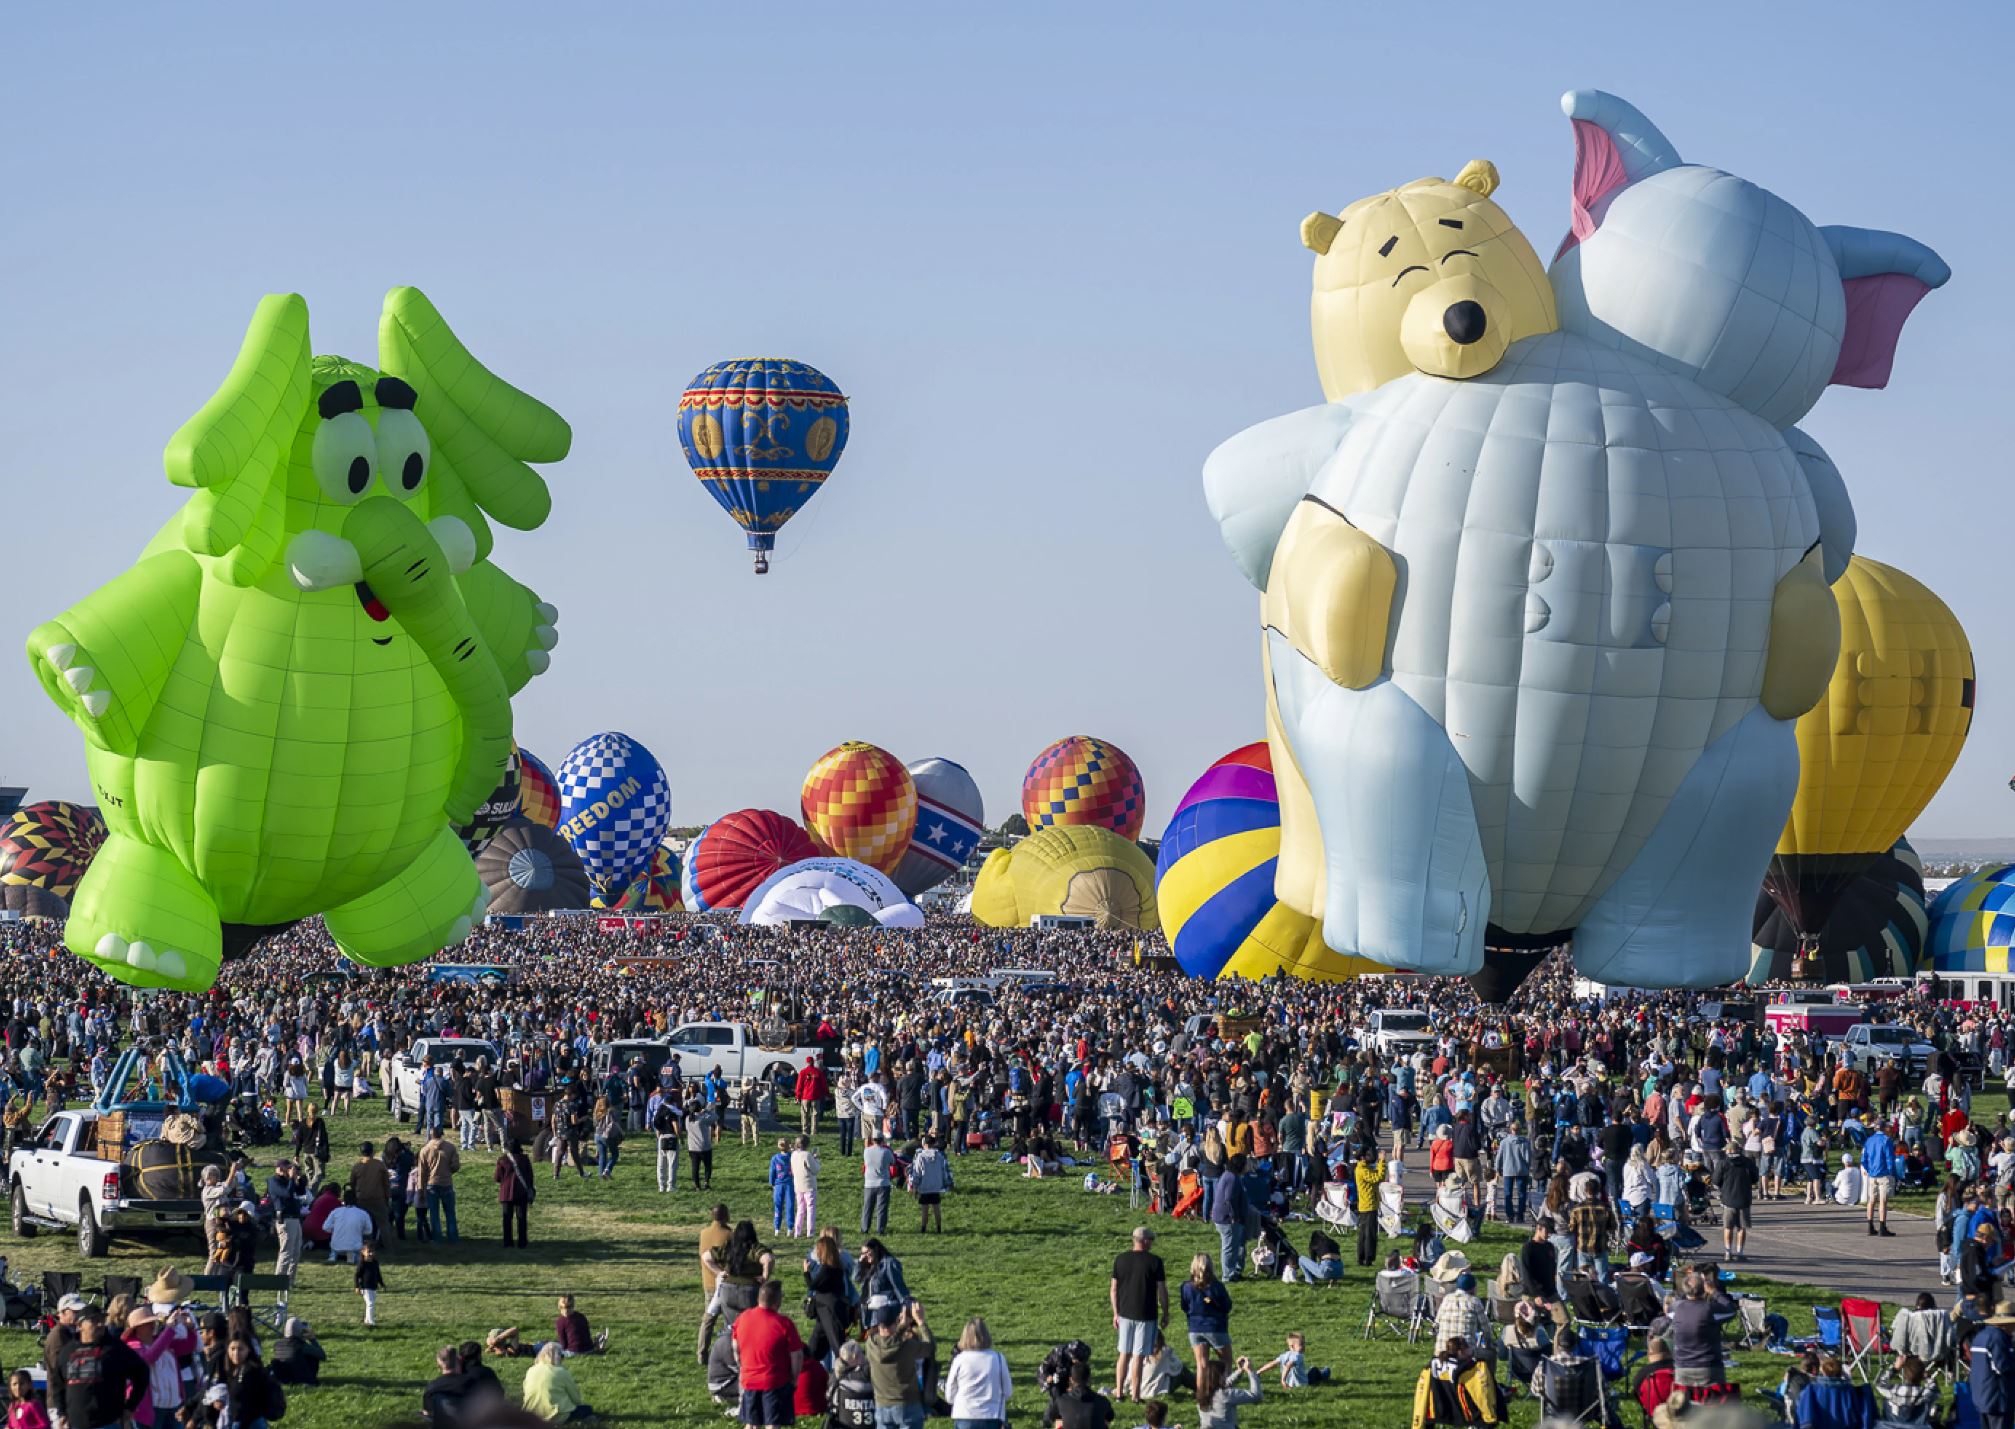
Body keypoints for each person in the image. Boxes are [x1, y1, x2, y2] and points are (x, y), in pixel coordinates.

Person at [55, 1307, 148, 1429]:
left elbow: (142, 1374)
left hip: (108, 1423)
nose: (100, 1324)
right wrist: (62, 1413)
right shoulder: (68, 1351)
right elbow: (58, 1385)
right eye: (94, 1320)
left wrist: (130, 1407)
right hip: (75, 1424)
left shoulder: (116, 1349)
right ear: (79, 1325)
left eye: (102, 1320)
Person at [732, 1280, 804, 1429]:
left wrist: (742, 1367)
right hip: (774, 1382)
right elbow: (796, 1355)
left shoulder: (742, 1318)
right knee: (772, 1423)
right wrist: (794, 1378)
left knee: (751, 1423)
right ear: (778, 1301)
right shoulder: (784, 1324)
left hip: (749, 1379)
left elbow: (735, 1347)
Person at [1111, 1226, 1169, 1403]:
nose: (1152, 1243)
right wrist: (1166, 1312)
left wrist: (1116, 1313)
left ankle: (1119, 1393)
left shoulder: (1120, 1259)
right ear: (1144, 1241)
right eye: (1151, 1240)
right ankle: (1135, 1396)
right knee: (1138, 1356)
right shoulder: (1155, 1262)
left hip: (1124, 1314)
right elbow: (1162, 1290)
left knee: (1124, 1354)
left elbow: (1114, 1289)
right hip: (1146, 1315)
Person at [865, 1300, 933, 1429]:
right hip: (907, 1405)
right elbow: (929, 1348)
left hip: (882, 1405)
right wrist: (920, 1322)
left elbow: (888, 1341)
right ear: (895, 1322)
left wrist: (901, 1326)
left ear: (879, 1324)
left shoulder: (871, 1345)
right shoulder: (907, 1346)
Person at [1668, 1270, 1736, 1389]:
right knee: (1714, 1400)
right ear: (1705, 1289)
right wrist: (1714, 1291)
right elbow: (1731, 1310)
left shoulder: (1675, 1308)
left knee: (1683, 1399)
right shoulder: (1710, 1309)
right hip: (1708, 1366)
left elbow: (1676, 1302)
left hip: (1682, 1366)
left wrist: (1689, 1287)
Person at [945, 1317, 1013, 1429]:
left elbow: (950, 1395)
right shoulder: (998, 1359)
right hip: (991, 1415)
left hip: (964, 1414)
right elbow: (1008, 1391)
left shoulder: (959, 1360)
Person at [522, 1340, 595, 1423]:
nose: (563, 1359)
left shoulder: (531, 1370)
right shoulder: (561, 1372)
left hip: (531, 1415)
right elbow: (575, 1398)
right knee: (587, 1409)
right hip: (557, 1415)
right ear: (556, 1357)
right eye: (562, 1356)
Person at [1795, 1354, 1873, 1429]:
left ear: (1823, 1371)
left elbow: (1804, 1419)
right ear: (1841, 1372)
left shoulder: (1811, 1391)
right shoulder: (1852, 1392)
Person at [1973, 1300, 2015, 1429]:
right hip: (1998, 1399)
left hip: (1982, 1395)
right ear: (2006, 1324)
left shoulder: (1981, 1336)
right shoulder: (1999, 1338)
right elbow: (2002, 1366)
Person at [419, 1124, 462, 1243]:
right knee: (450, 1213)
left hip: (431, 1183)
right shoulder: (450, 1147)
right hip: (446, 1182)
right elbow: (456, 1166)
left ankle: (437, 1239)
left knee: (434, 1214)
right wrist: (448, 1171)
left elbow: (422, 1173)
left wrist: (421, 1189)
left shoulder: (425, 1150)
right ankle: (453, 1238)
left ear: (430, 1135)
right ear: (442, 1134)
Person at [1715, 1147, 1758, 1261]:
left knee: (1728, 1227)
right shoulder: (1748, 1162)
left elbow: (1716, 1181)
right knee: (1741, 1227)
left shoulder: (1723, 1163)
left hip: (1728, 1199)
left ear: (1729, 1151)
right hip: (1744, 1198)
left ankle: (1728, 1252)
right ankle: (1740, 1253)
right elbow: (1755, 1179)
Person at [1193, 1356, 1260, 1429]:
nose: (1226, 1375)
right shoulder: (1226, 1394)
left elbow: (1225, 1384)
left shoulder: (1201, 1393)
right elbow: (1255, 1396)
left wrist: (1240, 1370)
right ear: (1219, 1377)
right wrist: (1251, 1372)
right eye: (1225, 1373)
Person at [1210, 1156, 1247, 1283]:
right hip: (1227, 1219)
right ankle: (1227, 1275)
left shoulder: (1229, 1175)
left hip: (1224, 1217)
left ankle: (1234, 1271)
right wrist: (1233, 1216)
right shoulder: (1232, 1178)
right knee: (1229, 1247)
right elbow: (1229, 1198)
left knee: (1235, 1245)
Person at [348, 1141, 393, 1243]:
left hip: (361, 1200)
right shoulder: (380, 1165)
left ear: (361, 1152)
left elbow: (352, 1184)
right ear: (373, 1151)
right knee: (384, 1224)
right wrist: (387, 1199)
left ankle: (365, 1246)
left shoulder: (357, 1166)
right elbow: (386, 1184)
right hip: (378, 1199)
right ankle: (388, 1246)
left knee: (364, 1225)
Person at [1862, 1121, 1899, 1238]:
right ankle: (1882, 1227)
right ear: (1884, 1128)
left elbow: (1864, 1159)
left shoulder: (1869, 1140)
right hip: (1884, 1173)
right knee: (1883, 1201)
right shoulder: (1886, 1140)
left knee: (1871, 1200)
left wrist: (1869, 1169)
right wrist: (1892, 1172)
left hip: (1872, 1173)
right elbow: (1889, 1158)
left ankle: (1870, 1226)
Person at [498, 1137, 537, 1249]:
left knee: (507, 1218)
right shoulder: (524, 1159)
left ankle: (507, 1242)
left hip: (506, 1192)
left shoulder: (502, 1160)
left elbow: (497, 1177)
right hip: (521, 1192)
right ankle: (522, 1242)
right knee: (521, 1218)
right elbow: (530, 1176)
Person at [1051, 1360, 1113, 1429]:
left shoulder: (1061, 1400)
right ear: (1089, 1379)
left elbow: (1052, 1416)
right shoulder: (1103, 1401)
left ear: (1071, 1380)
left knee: (1058, 1421)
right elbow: (1109, 1417)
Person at [1254, 1332, 1327, 1388]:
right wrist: (1283, 1380)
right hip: (1302, 1383)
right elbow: (1288, 1365)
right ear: (1292, 1346)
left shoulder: (1284, 1355)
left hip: (1290, 1383)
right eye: (1301, 1344)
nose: (1304, 1346)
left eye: (1304, 1344)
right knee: (1314, 1369)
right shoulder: (1298, 1356)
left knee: (1307, 1371)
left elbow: (1272, 1364)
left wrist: (1258, 1372)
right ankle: (1324, 1373)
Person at [269, 1317, 325, 1387]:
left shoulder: (278, 1344)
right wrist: (312, 1339)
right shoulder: (301, 1345)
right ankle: (308, 1379)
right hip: (300, 1379)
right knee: (313, 1357)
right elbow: (322, 1355)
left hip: (282, 1378)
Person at [911, 1136, 951, 1233]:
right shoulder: (939, 1156)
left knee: (924, 1209)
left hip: (924, 1186)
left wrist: (915, 1186)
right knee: (937, 1208)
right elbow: (944, 1170)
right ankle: (939, 1228)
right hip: (936, 1186)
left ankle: (923, 1228)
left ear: (925, 1144)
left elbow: (917, 1172)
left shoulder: (921, 1156)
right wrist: (946, 1183)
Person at [325, 1187, 374, 1263]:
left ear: (344, 1200)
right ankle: (351, 1255)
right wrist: (359, 1230)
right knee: (357, 1248)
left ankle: (333, 1256)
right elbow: (369, 1231)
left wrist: (336, 1229)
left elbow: (325, 1227)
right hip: (355, 1246)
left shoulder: (336, 1211)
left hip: (336, 1246)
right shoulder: (363, 1213)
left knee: (335, 1247)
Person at [861, 1132, 894, 1235]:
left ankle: (864, 1228)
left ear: (873, 1139)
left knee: (867, 1208)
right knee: (882, 1208)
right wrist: (890, 1149)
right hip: (883, 1183)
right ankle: (880, 1229)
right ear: (882, 1140)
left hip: (869, 1183)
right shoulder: (886, 1151)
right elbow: (893, 1162)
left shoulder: (866, 1151)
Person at [793, 1137, 822, 1239]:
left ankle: (797, 1231)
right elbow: (815, 1169)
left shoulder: (793, 1154)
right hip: (809, 1185)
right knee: (810, 1208)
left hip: (798, 1185)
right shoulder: (807, 1155)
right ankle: (810, 1232)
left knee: (800, 1209)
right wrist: (816, 1159)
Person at [355, 1242, 384, 1327]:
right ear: (363, 1252)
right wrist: (357, 1286)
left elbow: (378, 1274)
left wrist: (382, 1284)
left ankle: (367, 1320)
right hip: (365, 1287)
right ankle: (371, 1322)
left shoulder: (375, 1262)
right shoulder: (362, 1263)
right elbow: (356, 1275)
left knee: (370, 1304)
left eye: (372, 1251)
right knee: (370, 1304)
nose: (371, 1254)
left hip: (373, 1287)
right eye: (369, 1252)